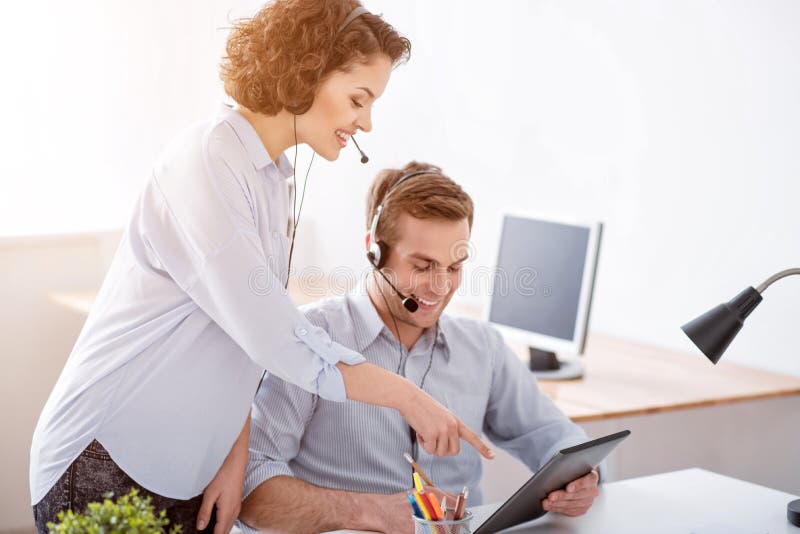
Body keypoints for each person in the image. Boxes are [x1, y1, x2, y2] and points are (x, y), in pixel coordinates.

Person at [29, 4, 491, 533]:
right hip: (107, 459)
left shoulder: (274, 180)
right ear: (305, 73)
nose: (366, 122)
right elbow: (279, 339)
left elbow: (244, 345)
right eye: (358, 99)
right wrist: (412, 399)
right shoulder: (205, 162)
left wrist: (233, 458)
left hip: (188, 473)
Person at [238, 162, 601, 534]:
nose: (441, 286)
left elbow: (555, 435)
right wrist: (372, 513)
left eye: (454, 267)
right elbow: (250, 489)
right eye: (423, 266)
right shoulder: (308, 339)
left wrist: (582, 479)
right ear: (373, 251)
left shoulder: (481, 347)